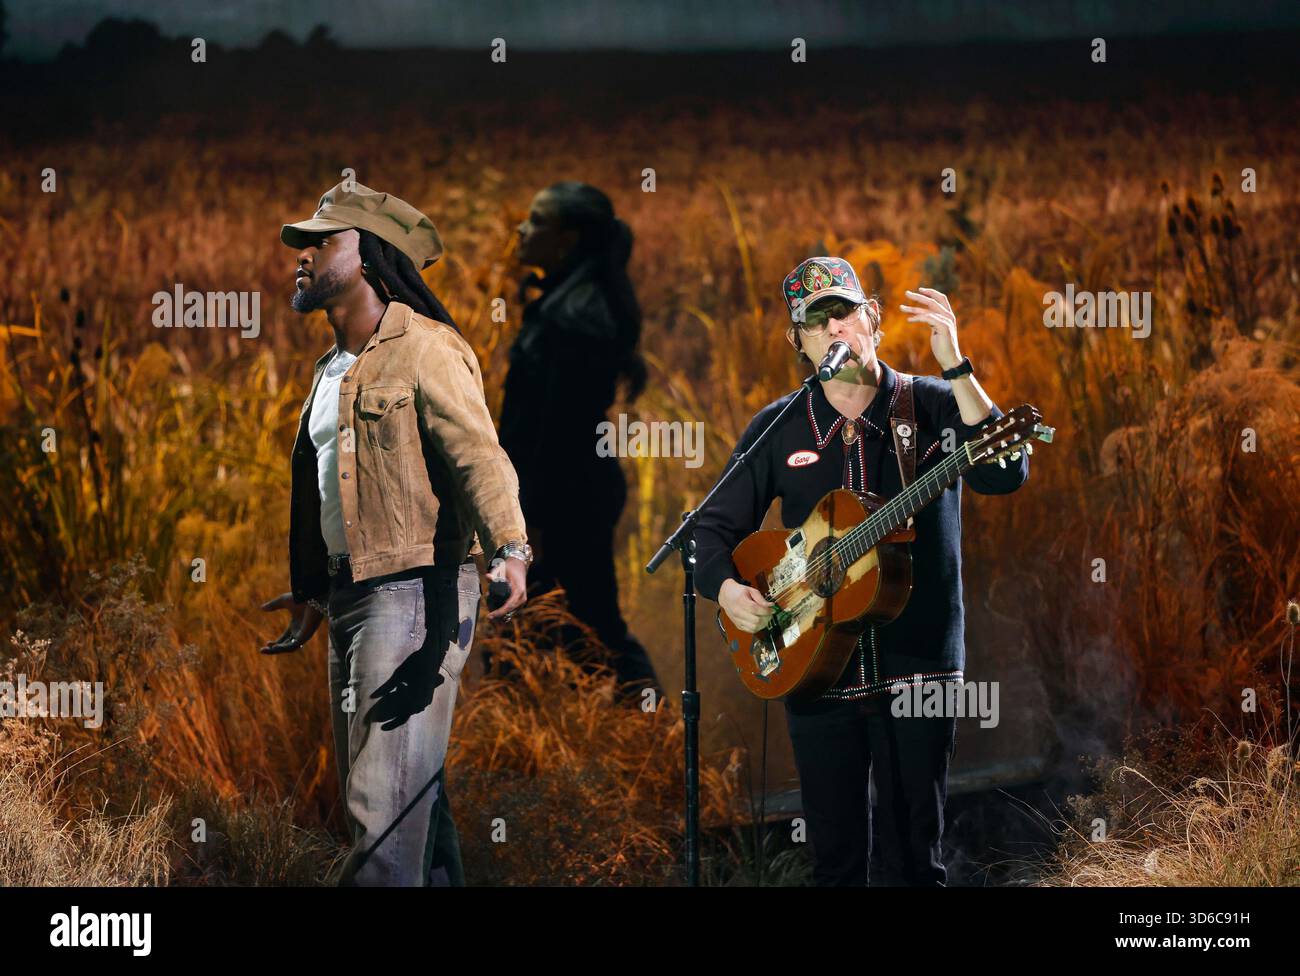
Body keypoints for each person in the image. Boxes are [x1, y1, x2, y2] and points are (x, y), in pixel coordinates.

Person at [694, 256, 1030, 885]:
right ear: (797, 341)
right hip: (813, 666)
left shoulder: (932, 405)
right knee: (838, 863)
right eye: (814, 323)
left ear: (871, 317)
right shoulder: (777, 427)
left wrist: (955, 364)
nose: (833, 331)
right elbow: (708, 533)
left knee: (913, 862)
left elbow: (1004, 472)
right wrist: (726, 590)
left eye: (843, 313)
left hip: (919, 665)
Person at [258, 181, 532, 886]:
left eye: (325, 240)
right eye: (304, 242)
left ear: (372, 256)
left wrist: (511, 549)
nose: (304, 254)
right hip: (356, 601)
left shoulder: (426, 350)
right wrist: (314, 593)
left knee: (381, 809)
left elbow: (479, 455)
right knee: (413, 808)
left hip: (415, 595)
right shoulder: (330, 372)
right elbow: (335, 496)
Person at [499, 181, 659, 697]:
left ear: (567, 239)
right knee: (552, 621)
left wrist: (529, 516)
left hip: (567, 493)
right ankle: (554, 747)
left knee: (590, 624)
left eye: (537, 220)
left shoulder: (578, 318)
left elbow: (559, 432)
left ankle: (650, 736)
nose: (522, 228)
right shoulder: (565, 302)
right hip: (563, 489)